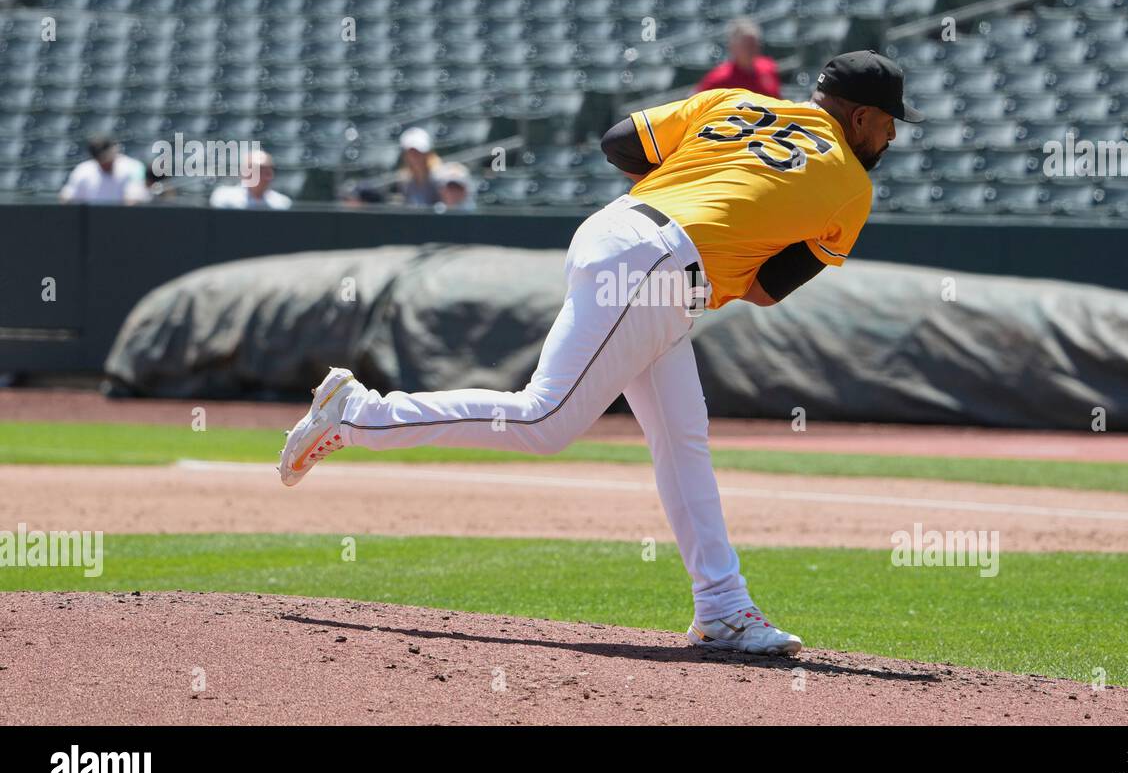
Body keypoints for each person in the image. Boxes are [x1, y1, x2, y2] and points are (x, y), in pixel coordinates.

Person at [277, 50, 923, 657]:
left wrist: (692, 188)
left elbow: (619, 140)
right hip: (664, 269)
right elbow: (762, 289)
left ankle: (722, 605)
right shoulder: (851, 188)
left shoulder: (736, 102)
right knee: (543, 420)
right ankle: (358, 412)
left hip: (622, 229)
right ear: (860, 116)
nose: (891, 139)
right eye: (889, 124)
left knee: (681, 436)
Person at [694, 18, 783, 99]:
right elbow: (697, 104)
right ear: (733, 47)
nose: (751, 49)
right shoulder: (718, 78)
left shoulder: (768, 66)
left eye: (754, 44)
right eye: (746, 45)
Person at [59, 135, 149, 204]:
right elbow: (67, 198)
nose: (105, 163)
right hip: (91, 221)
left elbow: (134, 199)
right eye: (101, 160)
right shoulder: (83, 170)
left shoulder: (134, 167)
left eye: (107, 158)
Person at [209, 149, 291, 210]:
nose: (264, 176)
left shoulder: (282, 203)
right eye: (258, 171)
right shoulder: (223, 196)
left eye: (268, 172)